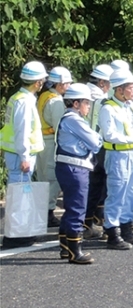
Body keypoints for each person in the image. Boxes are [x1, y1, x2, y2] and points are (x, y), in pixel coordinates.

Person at [98, 70, 133, 250]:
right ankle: (112, 232)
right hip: (118, 156)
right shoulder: (108, 108)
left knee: (130, 193)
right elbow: (110, 135)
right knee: (117, 193)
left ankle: (126, 228)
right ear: (120, 89)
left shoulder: (129, 106)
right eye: (131, 88)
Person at [1, 61, 48, 249]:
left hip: (17, 153)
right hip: (20, 155)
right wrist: (25, 157)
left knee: (19, 193)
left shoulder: (18, 97)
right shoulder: (25, 102)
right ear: (37, 83)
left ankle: (19, 232)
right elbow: (22, 131)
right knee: (19, 195)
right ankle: (15, 235)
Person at [54, 83, 102, 264]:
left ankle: (66, 248)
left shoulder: (70, 119)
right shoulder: (74, 120)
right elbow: (96, 142)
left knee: (71, 207)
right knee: (77, 207)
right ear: (76, 103)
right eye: (86, 103)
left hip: (70, 166)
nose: (88, 106)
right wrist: (93, 140)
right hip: (75, 167)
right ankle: (75, 251)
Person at [35, 66, 72, 228]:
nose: (69, 86)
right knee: (52, 178)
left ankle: (44, 211)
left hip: (41, 141)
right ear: (60, 84)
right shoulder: (56, 101)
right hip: (51, 141)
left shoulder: (43, 95)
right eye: (68, 83)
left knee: (43, 177)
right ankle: (49, 212)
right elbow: (60, 126)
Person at [83, 64, 114, 237]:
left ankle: (89, 221)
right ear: (102, 82)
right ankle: (88, 223)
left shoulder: (86, 93)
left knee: (94, 185)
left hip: (88, 145)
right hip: (96, 146)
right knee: (96, 186)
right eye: (109, 83)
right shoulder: (98, 99)